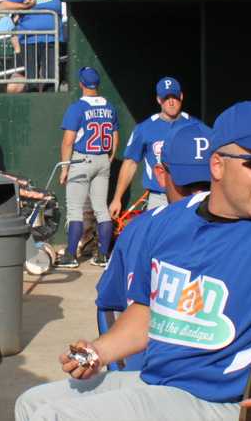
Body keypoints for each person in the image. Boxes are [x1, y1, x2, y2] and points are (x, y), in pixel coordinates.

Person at [15, 101, 251, 421]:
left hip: (218, 404)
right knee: (31, 404)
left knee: (59, 417)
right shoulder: (171, 222)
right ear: (217, 165)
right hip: (156, 386)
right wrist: (98, 350)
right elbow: (150, 313)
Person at [94, 122, 212, 372]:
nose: (199, 196)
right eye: (188, 187)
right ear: (161, 176)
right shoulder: (137, 230)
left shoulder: (244, 235)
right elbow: (109, 306)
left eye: (208, 186)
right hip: (144, 374)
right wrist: (119, 368)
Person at [56, 67, 119, 268]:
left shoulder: (78, 107)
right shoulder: (109, 106)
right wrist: (109, 158)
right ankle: (102, 255)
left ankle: (70, 256)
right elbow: (115, 138)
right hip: (102, 158)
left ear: (81, 84)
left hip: (81, 160)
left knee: (75, 210)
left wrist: (65, 167)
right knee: (102, 209)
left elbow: (68, 141)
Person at [109, 77, 199, 217]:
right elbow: (130, 163)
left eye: (174, 97)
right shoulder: (145, 128)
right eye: (166, 98)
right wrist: (117, 198)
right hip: (159, 197)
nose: (170, 102)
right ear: (159, 100)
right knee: (156, 238)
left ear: (181, 96)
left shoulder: (196, 127)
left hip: (187, 195)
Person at [0, 0, 83, 92]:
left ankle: (49, 97)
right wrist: (24, 6)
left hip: (52, 37)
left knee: (51, 73)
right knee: (31, 75)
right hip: (29, 39)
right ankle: (33, 97)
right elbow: (3, 5)